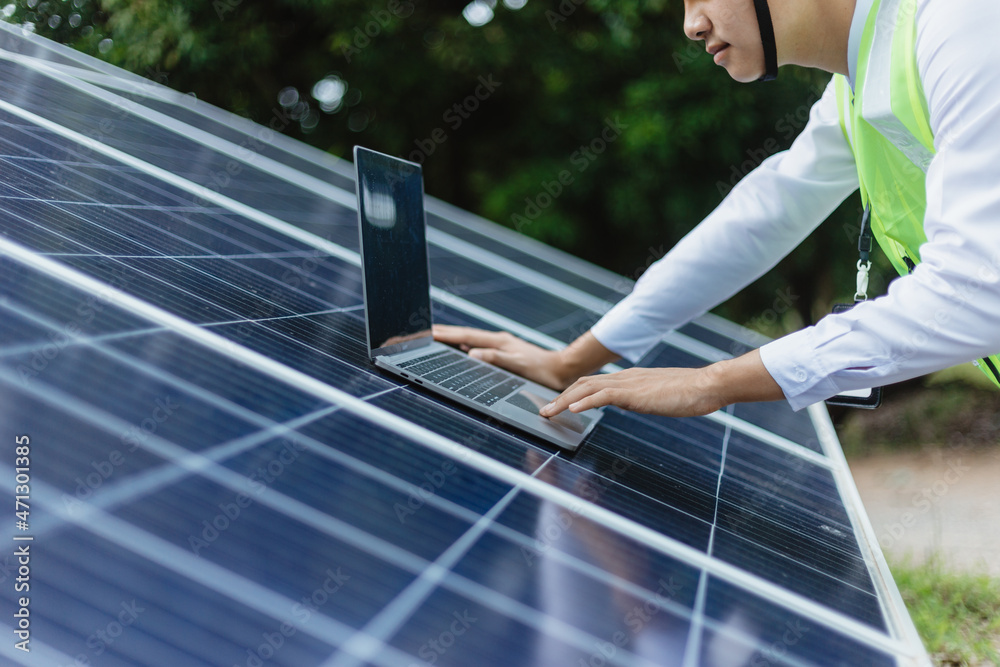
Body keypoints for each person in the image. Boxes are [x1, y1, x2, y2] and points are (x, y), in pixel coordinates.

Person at [435, 0, 1000, 420]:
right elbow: (761, 218)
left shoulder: (963, 23)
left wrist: (714, 383)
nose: (691, 24)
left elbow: (978, 289)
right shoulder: (858, 83)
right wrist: (572, 361)